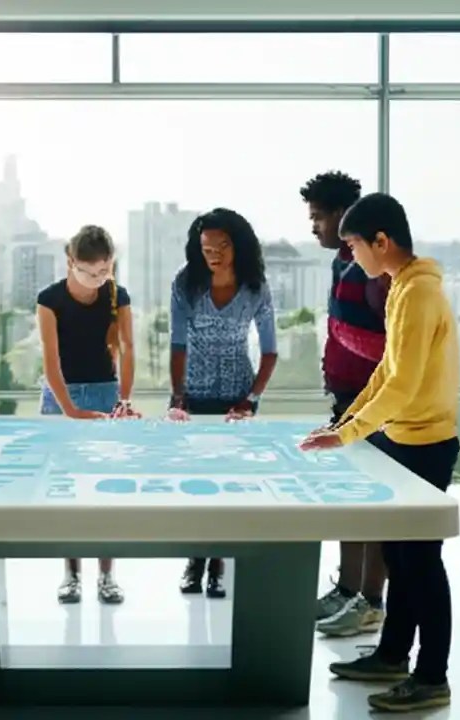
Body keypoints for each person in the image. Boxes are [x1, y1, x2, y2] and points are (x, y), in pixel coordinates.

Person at [300, 192, 460, 713]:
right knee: (398, 557)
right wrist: (345, 424)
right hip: (403, 439)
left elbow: (403, 386)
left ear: (382, 241)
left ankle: (431, 677)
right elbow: (384, 374)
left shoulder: (418, 294)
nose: (351, 256)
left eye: (354, 246)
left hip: (427, 445)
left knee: (421, 564)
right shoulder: (401, 287)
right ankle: (393, 656)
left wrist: (348, 434)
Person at [168, 208, 278, 599]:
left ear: (238, 245)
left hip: (238, 399)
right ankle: (194, 561)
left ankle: (218, 566)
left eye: (222, 247)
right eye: (206, 248)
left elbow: (270, 352)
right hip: (193, 397)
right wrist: (178, 396)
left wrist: (251, 399)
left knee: (229, 485)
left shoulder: (256, 287)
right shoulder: (185, 283)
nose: (214, 255)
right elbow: (177, 344)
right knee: (196, 485)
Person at [301, 171, 392, 638]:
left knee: (372, 503)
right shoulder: (343, 264)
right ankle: (348, 589)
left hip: (370, 405)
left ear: (342, 216)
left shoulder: (372, 272)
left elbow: (391, 347)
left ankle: (371, 601)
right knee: (348, 496)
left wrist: (344, 339)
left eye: (318, 217)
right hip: (346, 402)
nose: (313, 226)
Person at [37, 225, 139, 605]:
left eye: (104, 271)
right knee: (66, 491)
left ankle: (107, 576)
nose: (97, 279)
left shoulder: (117, 295)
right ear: (70, 262)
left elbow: (128, 349)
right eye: (88, 271)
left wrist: (124, 400)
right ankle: (71, 575)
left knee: (106, 490)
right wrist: (70, 410)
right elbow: (50, 361)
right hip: (60, 396)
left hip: (104, 392)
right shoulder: (49, 299)